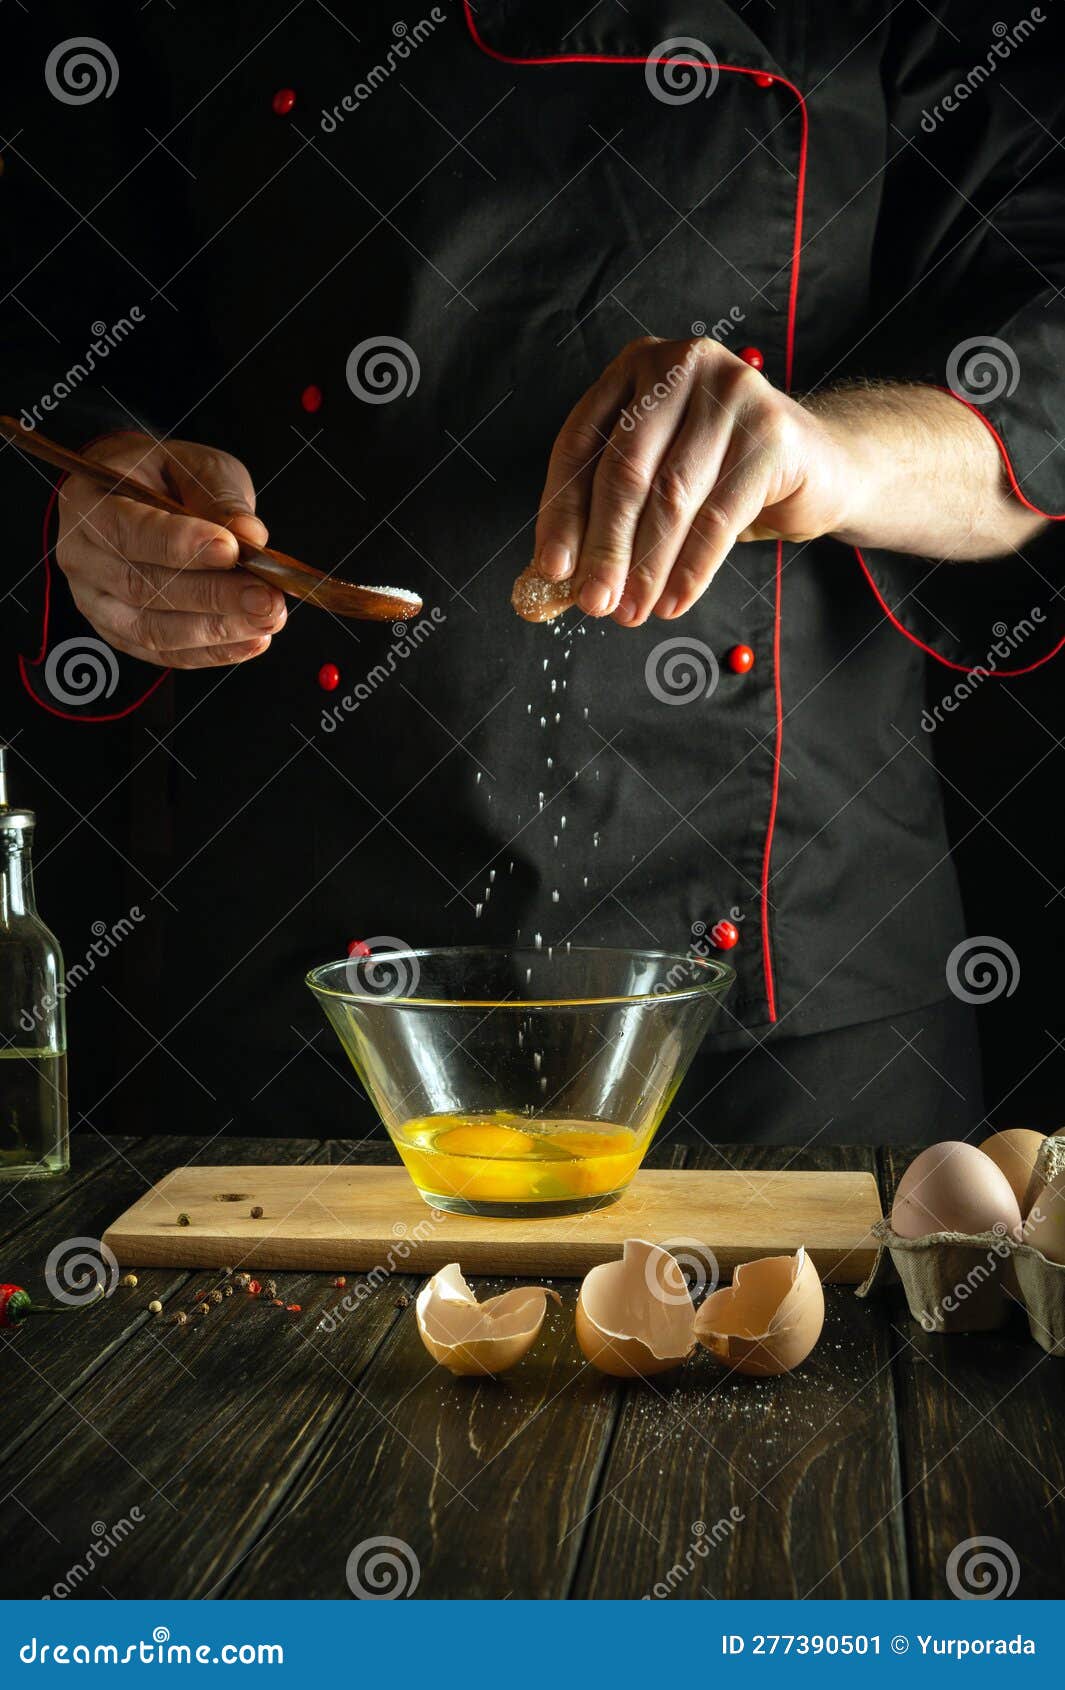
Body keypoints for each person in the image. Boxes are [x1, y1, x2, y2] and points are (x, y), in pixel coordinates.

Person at [3, 1, 1063, 1146]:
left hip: (793, 1005)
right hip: (312, 975)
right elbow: (44, 302)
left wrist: (837, 454)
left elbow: (1045, 341)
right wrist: (101, 486)